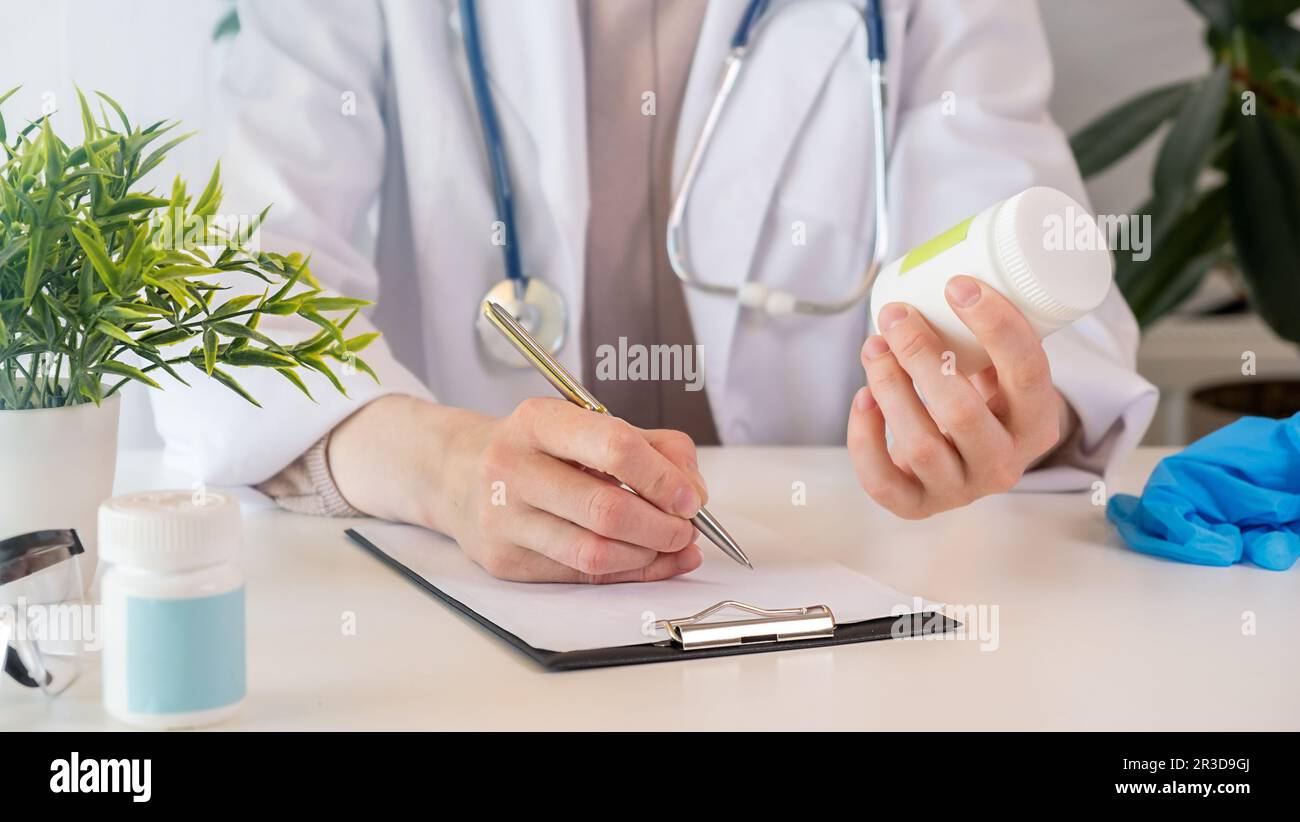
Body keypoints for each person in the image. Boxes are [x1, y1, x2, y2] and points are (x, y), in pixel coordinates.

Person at [150, 0, 1156, 582]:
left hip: (832, 570)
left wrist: (1012, 408)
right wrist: (443, 466)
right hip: (459, 617)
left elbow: (1015, 232)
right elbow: (225, 294)